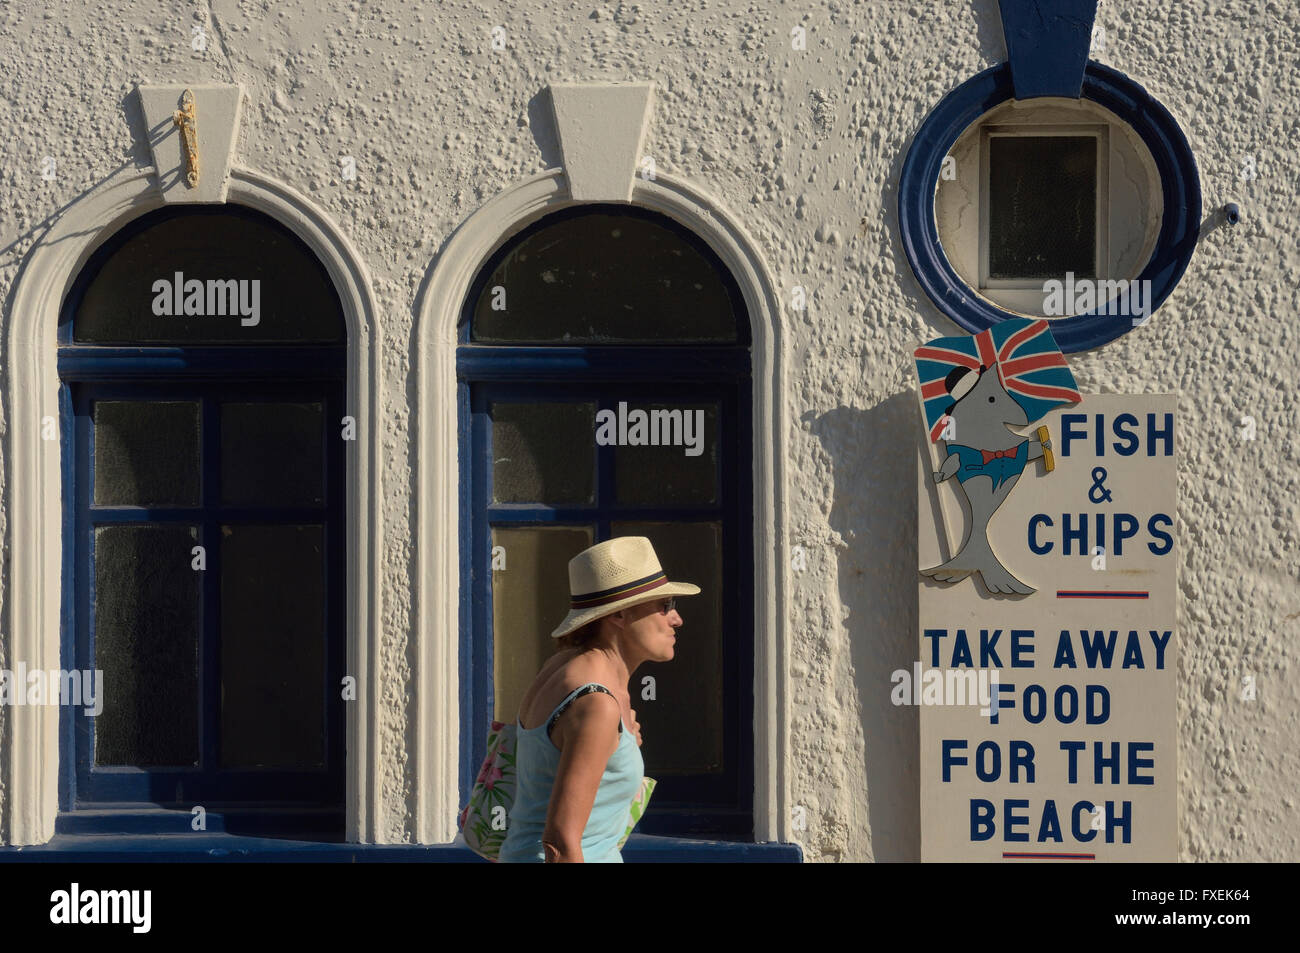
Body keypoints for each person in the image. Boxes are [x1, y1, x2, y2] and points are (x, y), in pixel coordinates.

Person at [497, 536, 699, 863]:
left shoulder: (564, 667)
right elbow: (560, 842)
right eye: (665, 606)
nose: (676, 619)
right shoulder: (595, 702)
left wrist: (622, 740)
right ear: (618, 615)